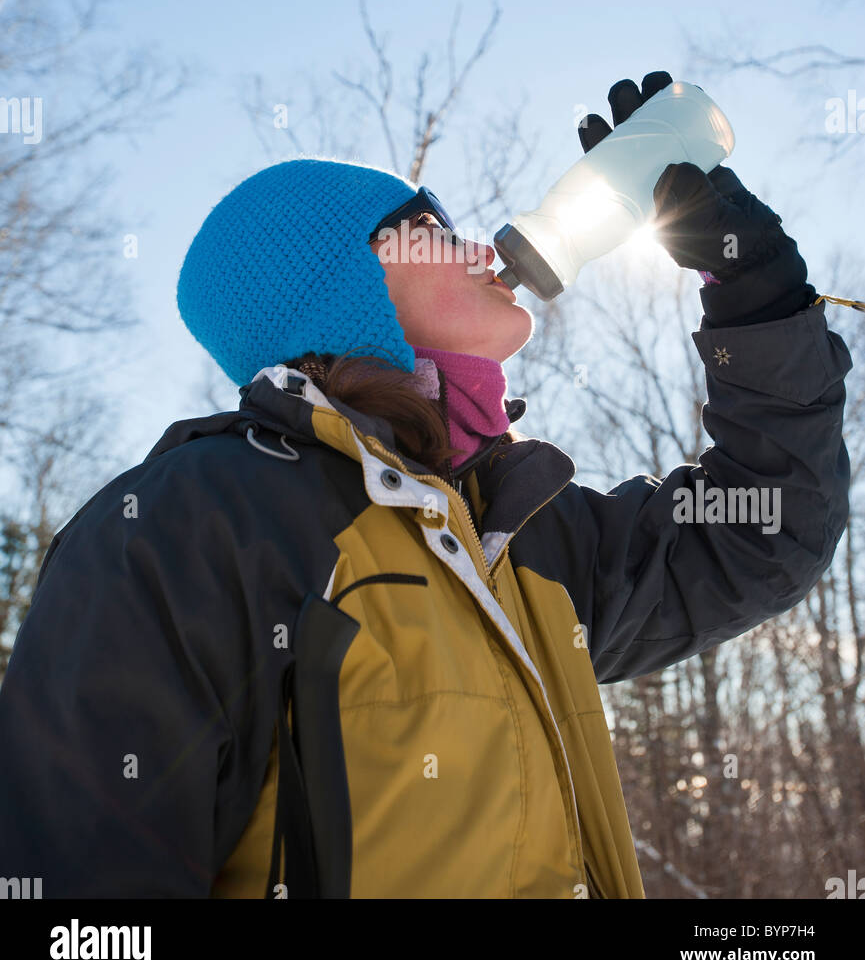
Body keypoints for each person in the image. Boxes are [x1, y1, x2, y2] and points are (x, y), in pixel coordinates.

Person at [0, 73, 852, 899]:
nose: (479, 244)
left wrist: (756, 299)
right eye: (427, 226)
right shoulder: (190, 525)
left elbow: (763, 531)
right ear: (337, 290)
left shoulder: (518, 536)